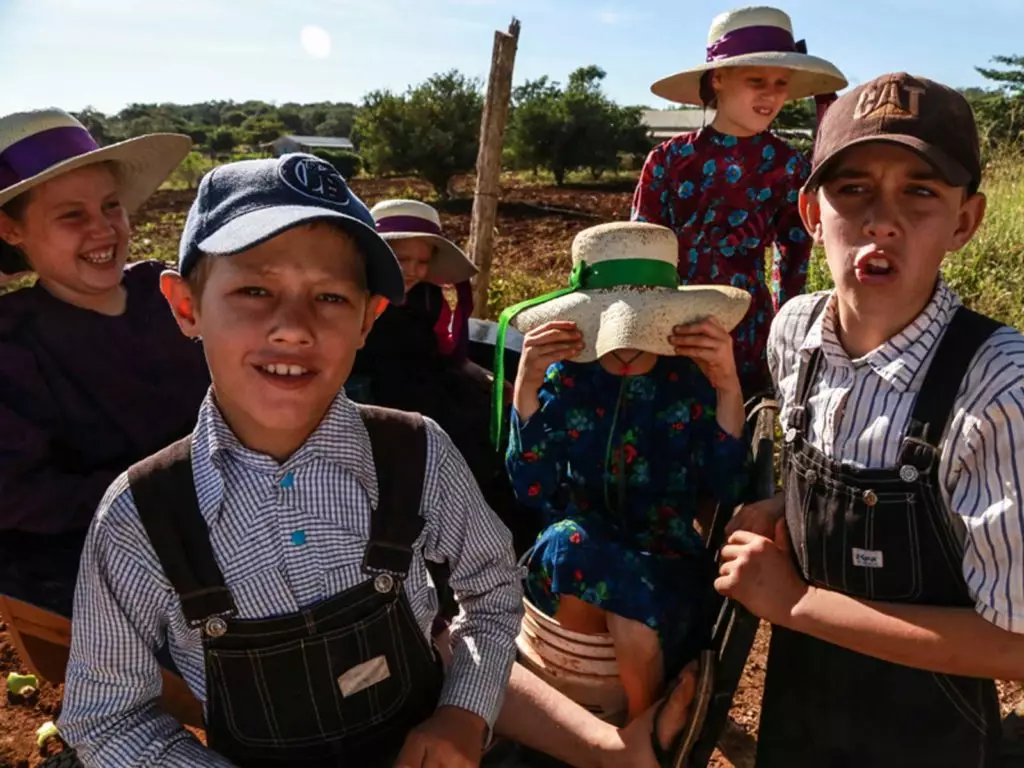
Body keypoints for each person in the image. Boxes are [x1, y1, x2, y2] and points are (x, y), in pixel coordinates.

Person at [58, 154, 526, 768]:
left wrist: (463, 712)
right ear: (185, 305)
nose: (293, 329)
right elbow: (108, 719)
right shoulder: (140, 519)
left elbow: (491, 589)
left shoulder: (418, 454)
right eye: (255, 289)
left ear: (368, 319)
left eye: (330, 297)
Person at [716, 73, 1024, 767]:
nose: (881, 220)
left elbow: (1016, 642)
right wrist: (782, 508)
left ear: (964, 222)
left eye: (920, 191)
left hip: (926, 744)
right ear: (811, 213)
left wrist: (794, 607)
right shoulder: (794, 332)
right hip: (799, 721)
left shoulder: (998, 384)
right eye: (852, 189)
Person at [502, 222, 752, 756]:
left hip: (665, 560)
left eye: (642, 325)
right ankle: (646, 732)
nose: (625, 346)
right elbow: (531, 488)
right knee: (573, 543)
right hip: (572, 556)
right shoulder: (568, 377)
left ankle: (622, 733)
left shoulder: (691, 379)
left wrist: (729, 386)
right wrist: (524, 388)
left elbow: (726, 486)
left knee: (627, 593)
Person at [0, 108, 207, 617]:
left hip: (228, 513)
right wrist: (168, 496)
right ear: (11, 231)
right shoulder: (15, 345)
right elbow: (19, 494)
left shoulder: (166, 292)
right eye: (72, 215)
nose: (103, 229)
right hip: (104, 557)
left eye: (110, 206)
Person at [632, 6, 847, 397]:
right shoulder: (667, 162)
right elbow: (638, 259)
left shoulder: (789, 169)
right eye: (756, 79)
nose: (771, 94)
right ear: (718, 79)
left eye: (781, 82)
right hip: (665, 333)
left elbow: (792, 265)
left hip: (746, 337)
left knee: (736, 443)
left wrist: (785, 342)